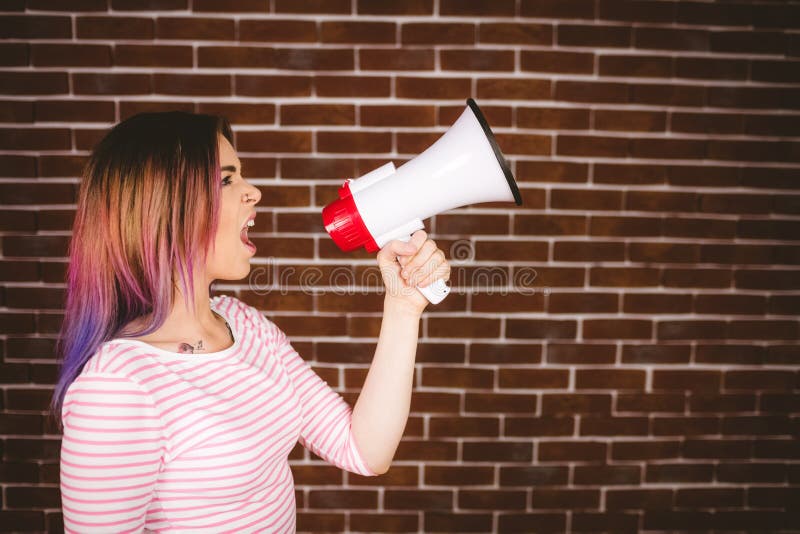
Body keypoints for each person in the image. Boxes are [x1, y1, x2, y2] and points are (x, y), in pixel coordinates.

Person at [51, 111, 450, 532]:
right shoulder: (117, 388)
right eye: (227, 180)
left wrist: (403, 309)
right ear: (165, 208)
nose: (254, 192)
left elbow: (365, 450)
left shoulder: (246, 326)